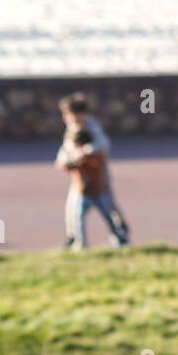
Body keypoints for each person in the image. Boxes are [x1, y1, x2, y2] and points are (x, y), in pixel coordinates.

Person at [55, 93, 130, 245]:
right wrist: (64, 160)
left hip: (98, 177)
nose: (70, 120)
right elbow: (65, 150)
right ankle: (74, 237)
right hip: (79, 179)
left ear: (82, 114)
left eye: (72, 116)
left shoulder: (92, 127)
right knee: (73, 209)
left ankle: (119, 234)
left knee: (108, 208)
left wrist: (85, 152)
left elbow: (103, 146)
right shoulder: (71, 129)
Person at [61, 129, 127, 250]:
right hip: (83, 193)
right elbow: (63, 164)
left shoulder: (95, 155)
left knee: (108, 216)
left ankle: (120, 238)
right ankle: (80, 243)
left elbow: (97, 162)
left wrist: (84, 155)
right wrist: (73, 159)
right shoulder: (74, 159)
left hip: (97, 192)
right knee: (78, 218)